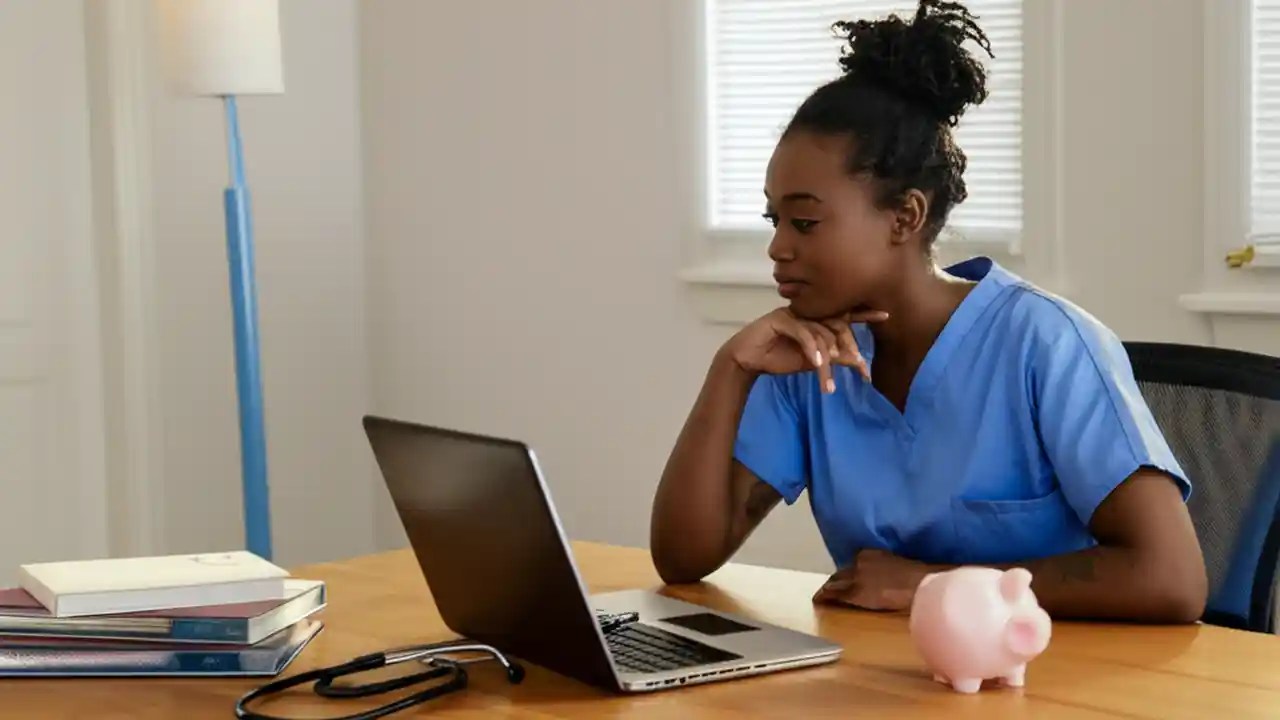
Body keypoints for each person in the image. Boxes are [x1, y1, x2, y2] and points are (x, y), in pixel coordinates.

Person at [650, 0, 1207, 623]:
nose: (779, 247)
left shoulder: (1045, 344)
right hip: (886, 682)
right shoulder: (809, 360)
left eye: (805, 221)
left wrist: (933, 584)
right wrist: (731, 371)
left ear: (905, 216)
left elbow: (1172, 578)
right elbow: (682, 558)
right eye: (774, 220)